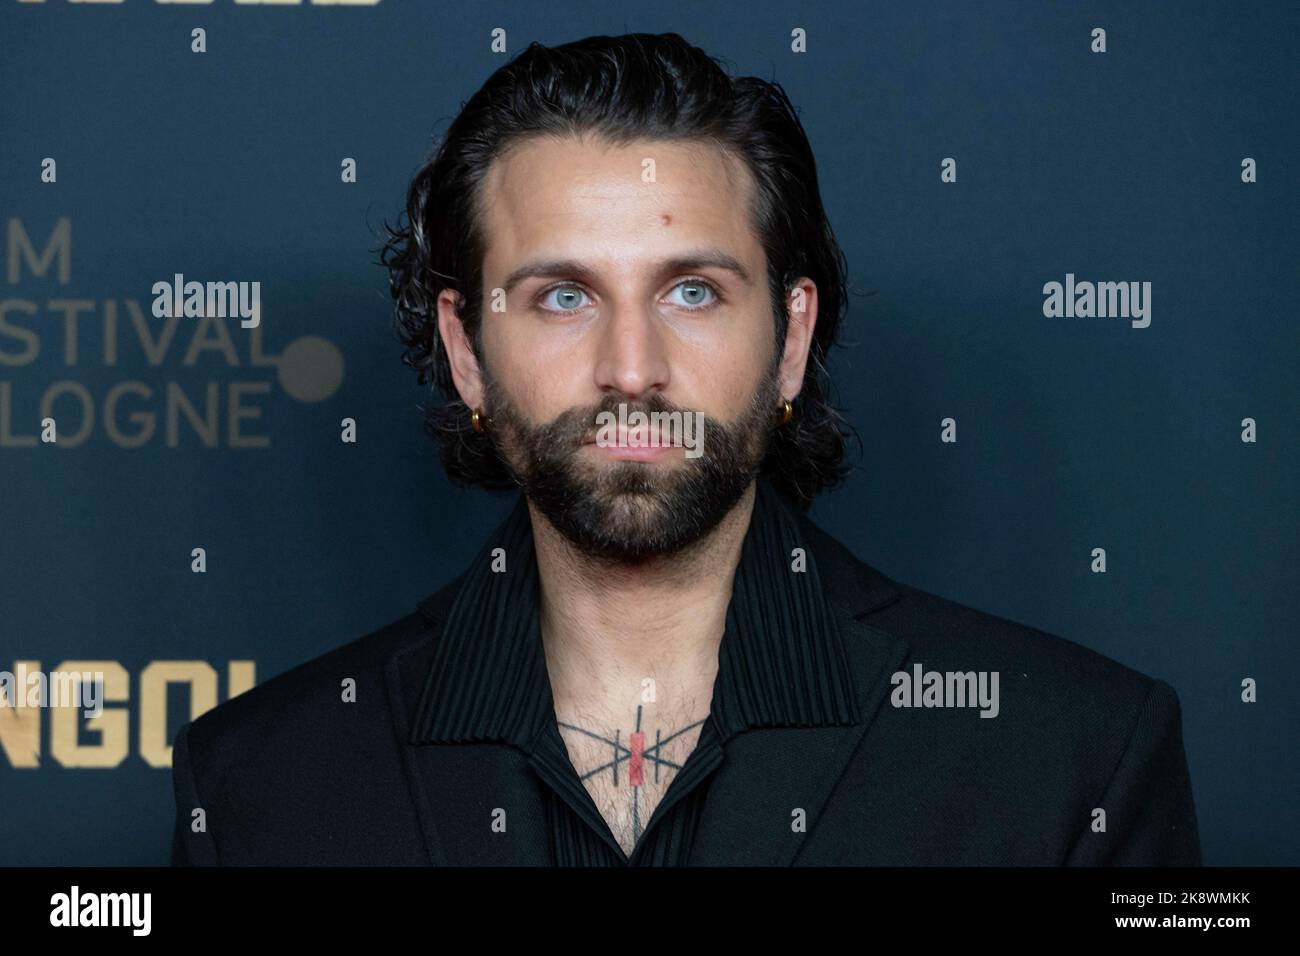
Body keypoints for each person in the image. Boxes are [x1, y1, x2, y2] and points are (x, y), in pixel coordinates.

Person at [170, 32, 1200, 866]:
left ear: (792, 338)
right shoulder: (260, 779)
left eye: (692, 291)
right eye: (562, 296)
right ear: (466, 350)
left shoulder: (1073, 754)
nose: (632, 366)